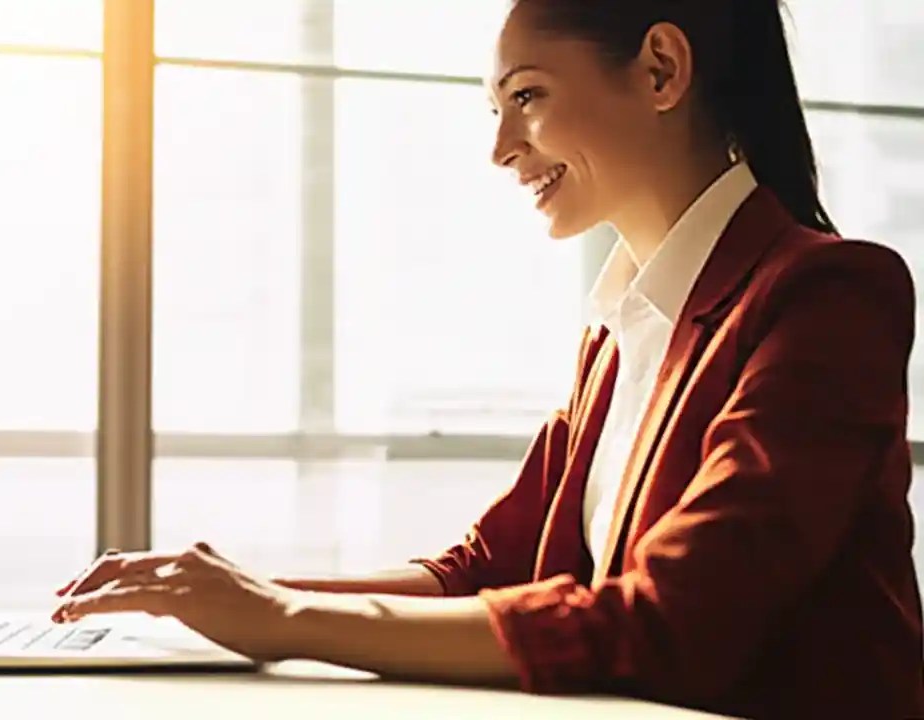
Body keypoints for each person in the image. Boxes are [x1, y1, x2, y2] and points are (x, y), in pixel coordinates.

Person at [51, 1, 924, 716]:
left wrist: (284, 618)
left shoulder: (830, 296)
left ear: (662, 70)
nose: (501, 148)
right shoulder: (622, 331)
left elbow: (677, 622)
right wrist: (221, 597)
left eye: (528, 97)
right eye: (496, 109)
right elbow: (484, 570)